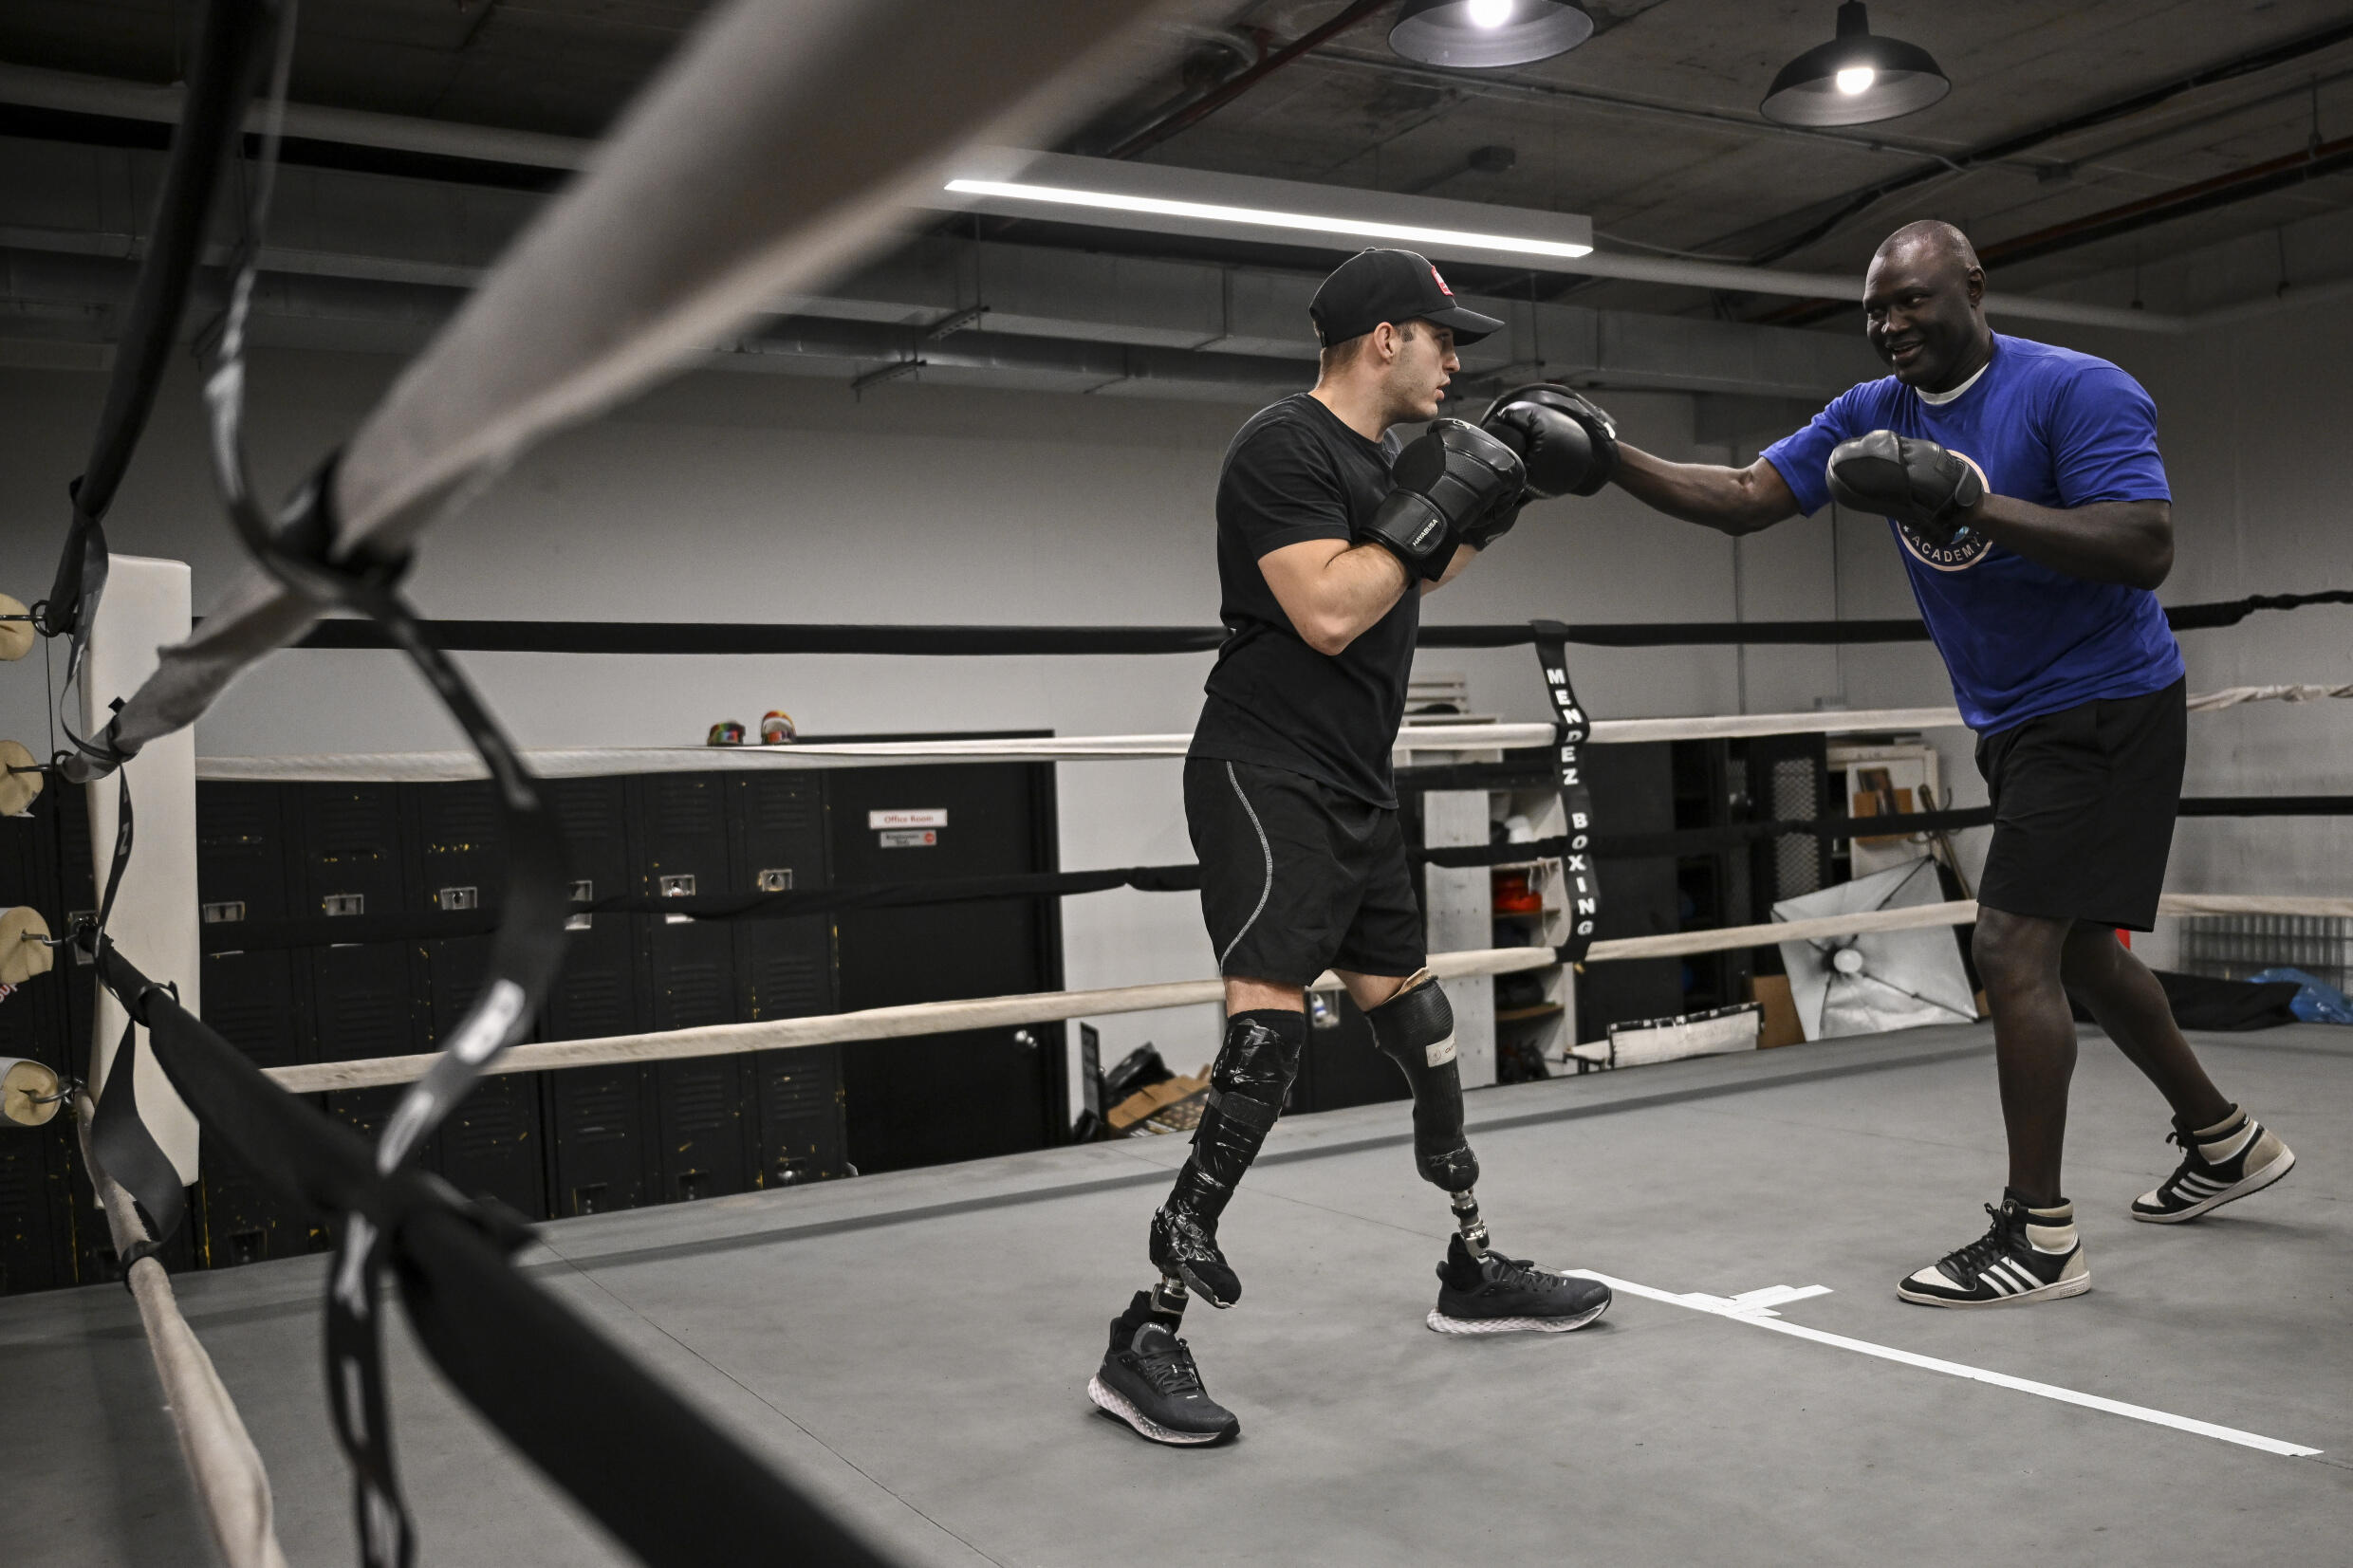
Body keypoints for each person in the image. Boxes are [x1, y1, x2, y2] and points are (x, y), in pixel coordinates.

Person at [1583, 219, 2293, 1309]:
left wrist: (1967, 500)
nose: (1889, 324)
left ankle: (2037, 1234)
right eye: (1874, 308)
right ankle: (2223, 1142)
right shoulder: (1870, 413)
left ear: (1971, 286)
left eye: (1911, 300)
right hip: (2011, 718)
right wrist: (1605, 457)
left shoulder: (2075, 390)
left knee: (2011, 943)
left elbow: (2143, 545)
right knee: (2084, 956)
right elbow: (1739, 499)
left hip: (2102, 702)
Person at [1087, 249, 1617, 1448]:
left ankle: (1471, 1269)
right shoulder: (1279, 446)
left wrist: (1507, 488)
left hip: (1355, 779)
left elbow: (1413, 570)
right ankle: (1144, 1332)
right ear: (1385, 339)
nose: (1457, 362)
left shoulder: (1386, 463)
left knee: (1421, 1028)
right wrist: (1444, 498)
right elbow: (1329, 608)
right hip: (1264, 770)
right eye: (1444, 340)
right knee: (1267, 1030)